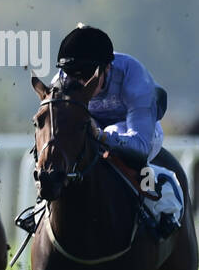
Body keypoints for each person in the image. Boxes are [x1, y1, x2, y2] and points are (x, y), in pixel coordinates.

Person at [39, 24, 182, 237]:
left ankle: (165, 201)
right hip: (91, 128)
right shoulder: (62, 80)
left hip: (140, 132)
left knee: (120, 142)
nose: (78, 83)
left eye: (87, 75)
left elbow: (141, 145)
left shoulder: (134, 77)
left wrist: (103, 136)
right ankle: (38, 213)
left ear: (107, 68)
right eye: (71, 75)